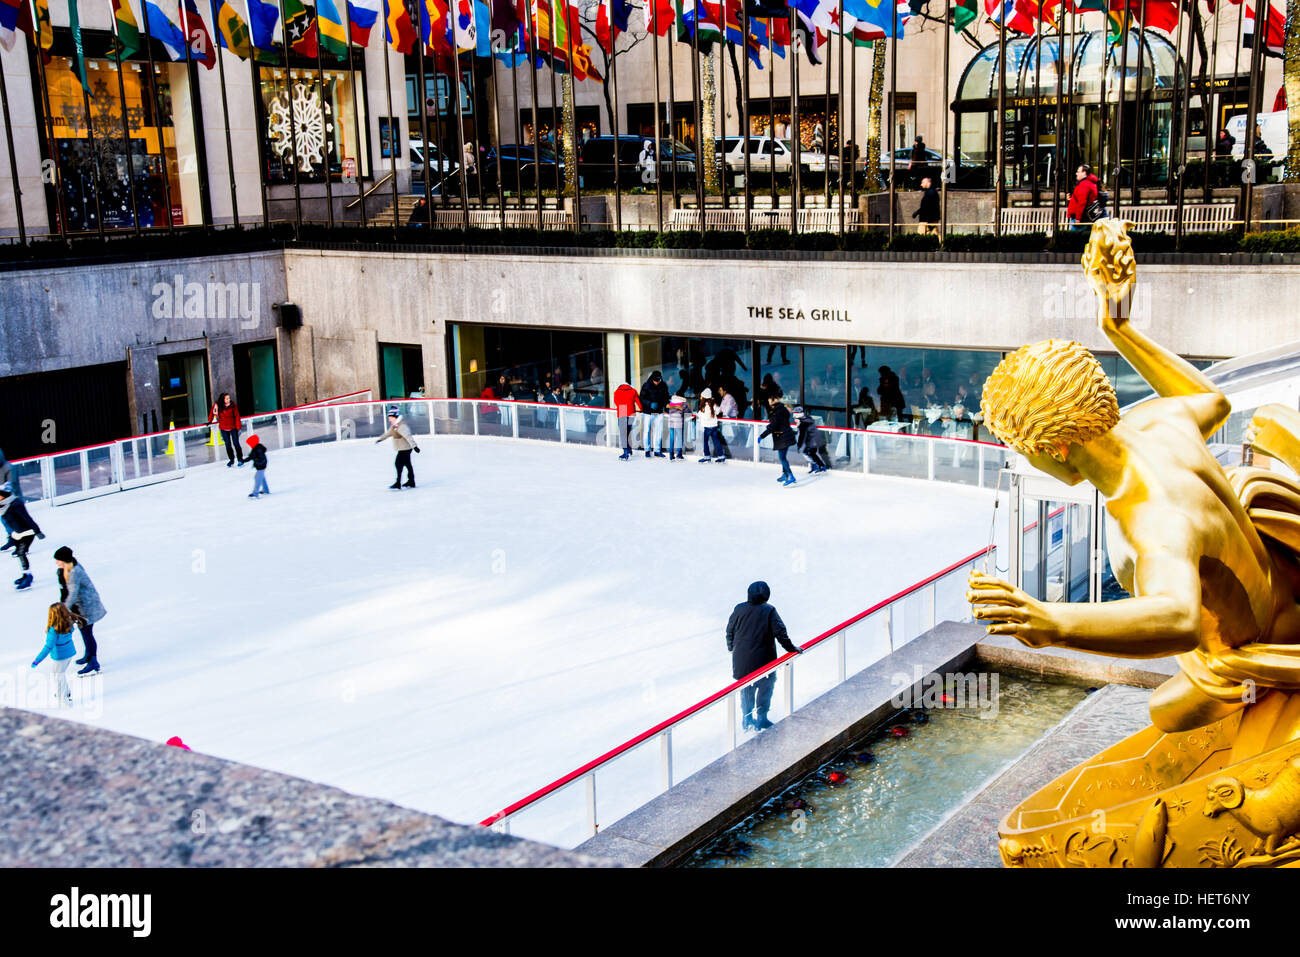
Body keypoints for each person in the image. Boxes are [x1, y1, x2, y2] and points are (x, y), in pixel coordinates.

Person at [968, 219, 1300, 735]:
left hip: (1250, 645)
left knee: (1164, 712)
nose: (1027, 463)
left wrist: (1053, 624)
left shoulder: (1150, 518)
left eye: (1023, 451)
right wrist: (1119, 328)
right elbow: (1214, 399)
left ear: (1057, 447)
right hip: (1281, 582)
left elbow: (1179, 618)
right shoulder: (1157, 420)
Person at [726, 581, 802, 732]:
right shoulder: (769, 610)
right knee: (765, 687)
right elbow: (780, 633)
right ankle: (761, 718)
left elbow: (730, 631)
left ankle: (747, 719)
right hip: (764, 661)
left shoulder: (739, 609)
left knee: (747, 688)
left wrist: (731, 648)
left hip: (742, 661)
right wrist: (792, 649)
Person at [54, 546, 106, 676]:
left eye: (58, 560)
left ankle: (93, 661)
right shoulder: (68, 568)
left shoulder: (73, 572)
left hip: (87, 606)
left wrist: (63, 609)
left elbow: (72, 593)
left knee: (87, 633)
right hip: (80, 606)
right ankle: (88, 655)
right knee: (84, 632)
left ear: (64, 560)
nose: (56, 562)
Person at [32, 602, 77, 707]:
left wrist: (37, 660)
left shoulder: (54, 630)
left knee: (57, 676)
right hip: (69, 653)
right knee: (60, 674)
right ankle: (65, 692)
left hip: (60, 657)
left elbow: (48, 647)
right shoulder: (69, 623)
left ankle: (64, 699)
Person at [1, 483, 41, 590]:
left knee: (20, 553)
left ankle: (28, 576)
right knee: (19, 554)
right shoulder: (3, 505)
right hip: (17, 533)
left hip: (27, 532)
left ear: (4, 496)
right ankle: (25, 574)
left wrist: (37, 531)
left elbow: (27, 517)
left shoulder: (15, 504)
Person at [376, 407, 420, 489]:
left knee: (398, 464)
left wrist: (415, 446)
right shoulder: (394, 426)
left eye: (390, 417)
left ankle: (398, 482)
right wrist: (380, 439)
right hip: (403, 448)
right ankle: (411, 481)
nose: (389, 419)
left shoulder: (401, 426)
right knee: (407, 464)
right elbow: (388, 434)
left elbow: (408, 436)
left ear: (395, 417)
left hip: (405, 449)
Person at [759, 395, 797, 486]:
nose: (768, 401)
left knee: (782, 458)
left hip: (783, 438)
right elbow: (778, 423)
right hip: (784, 436)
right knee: (782, 457)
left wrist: (761, 436)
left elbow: (773, 426)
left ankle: (791, 476)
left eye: (769, 399)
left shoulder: (777, 411)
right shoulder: (781, 409)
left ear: (773, 401)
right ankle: (785, 474)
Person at [207, 392, 245, 467]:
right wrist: (209, 421)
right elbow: (212, 413)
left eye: (229, 398)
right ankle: (231, 460)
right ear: (223, 399)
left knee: (236, 444)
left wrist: (238, 428)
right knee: (228, 445)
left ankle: (240, 459)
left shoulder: (233, 405)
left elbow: (237, 416)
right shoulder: (217, 405)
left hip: (233, 427)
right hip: (223, 428)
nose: (228, 400)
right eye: (227, 398)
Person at [640, 370, 669, 458]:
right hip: (648, 412)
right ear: (652, 379)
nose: (657, 382)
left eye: (658, 380)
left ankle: (657, 450)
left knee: (658, 431)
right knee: (647, 431)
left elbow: (666, 397)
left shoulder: (663, 385)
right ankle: (647, 450)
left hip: (659, 412)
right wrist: (650, 404)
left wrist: (666, 407)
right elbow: (641, 398)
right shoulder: (646, 385)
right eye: (655, 381)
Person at [793, 407, 830, 473]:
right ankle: (819, 466)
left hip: (813, 440)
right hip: (813, 439)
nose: (794, 419)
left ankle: (818, 466)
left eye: (795, 418)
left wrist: (799, 445)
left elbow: (802, 435)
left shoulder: (803, 423)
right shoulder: (805, 420)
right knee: (811, 453)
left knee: (808, 453)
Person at [613, 381, 642, 460]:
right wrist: (641, 409)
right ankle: (629, 450)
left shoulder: (617, 391)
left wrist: (623, 405)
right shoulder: (633, 391)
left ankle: (626, 452)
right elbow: (638, 403)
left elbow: (616, 402)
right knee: (628, 432)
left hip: (622, 409)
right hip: (631, 412)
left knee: (623, 434)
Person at [1066, 164, 1100, 229]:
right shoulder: (1088, 183)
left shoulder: (1084, 184)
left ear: (1084, 173)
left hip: (1081, 217)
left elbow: (1082, 202)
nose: (1076, 173)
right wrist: (1072, 199)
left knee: (1074, 237)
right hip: (1085, 216)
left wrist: (1078, 218)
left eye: (1078, 172)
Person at [697, 388, 725, 463]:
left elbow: (703, 416)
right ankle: (721, 456)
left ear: (704, 397)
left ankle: (707, 457)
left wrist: (699, 414)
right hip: (714, 426)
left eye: (701, 396)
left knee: (705, 442)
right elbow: (719, 411)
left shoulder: (704, 407)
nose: (700, 398)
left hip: (707, 427)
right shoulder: (713, 405)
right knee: (716, 442)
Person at [665, 390, 691, 461]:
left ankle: (671, 455)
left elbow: (667, 410)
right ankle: (679, 454)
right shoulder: (683, 404)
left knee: (672, 438)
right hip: (678, 422)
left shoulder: (671, 403)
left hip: (671, 422)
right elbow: (688, 412)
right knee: (679, 438)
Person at [245, 434, 270, 498]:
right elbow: (251, 457)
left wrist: (257, 462)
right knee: (261, 478)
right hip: (260, 466)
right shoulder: (255, 448)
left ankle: (255, 493)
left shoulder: (258, 449)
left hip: (261, 466)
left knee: (258, 478)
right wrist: (243, 461)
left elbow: (260, 458)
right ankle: (265, 490)